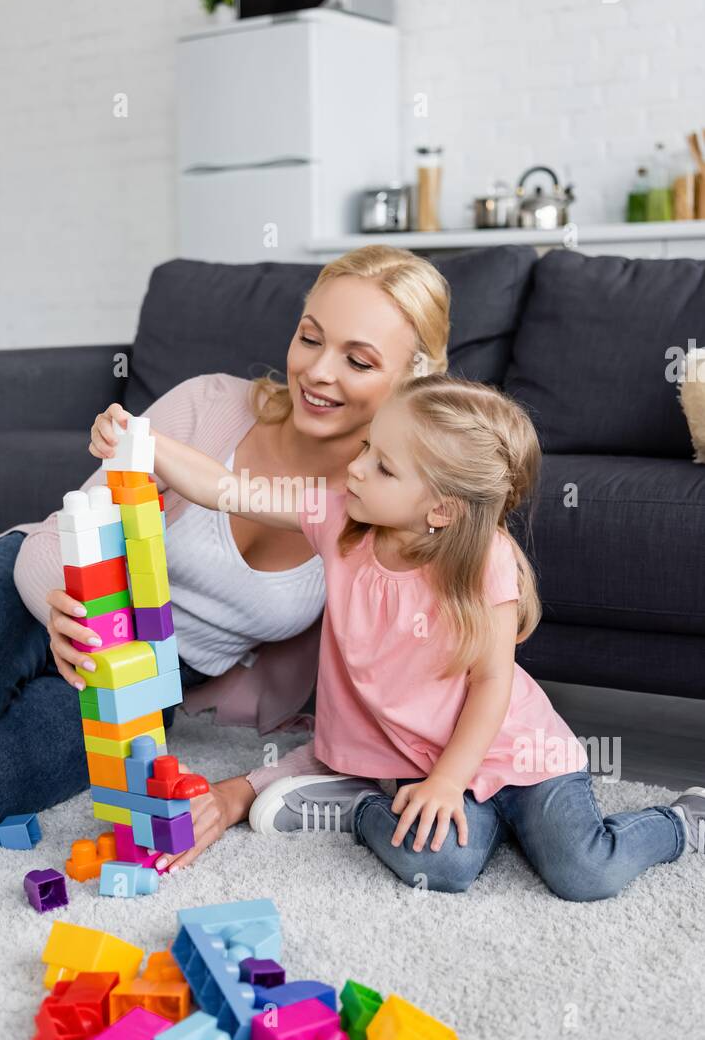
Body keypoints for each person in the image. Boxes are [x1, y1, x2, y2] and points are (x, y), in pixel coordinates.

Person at [0, 247, 451, 851]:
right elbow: (71, 527)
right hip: (49, 593)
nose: (318, 372)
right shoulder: (210, 404)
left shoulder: (388, 517)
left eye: (359, 361)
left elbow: (368, 716)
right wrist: (61, 609)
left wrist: (242, 789)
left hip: (144, 681)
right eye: (310, 338)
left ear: (414, 380)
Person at [92, 375, 703, 896]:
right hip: (411, 761)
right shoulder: (337, 517)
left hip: (515, 755)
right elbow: (227, 488)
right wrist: (143, 442)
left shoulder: (484, 560)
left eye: (381, 466)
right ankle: (358, 805)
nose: (354, 468)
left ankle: (681, 823)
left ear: (441, 510)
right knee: (444, 867)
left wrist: (447, 783)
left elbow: (492, 682)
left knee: (583, 871)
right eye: (365, 448)